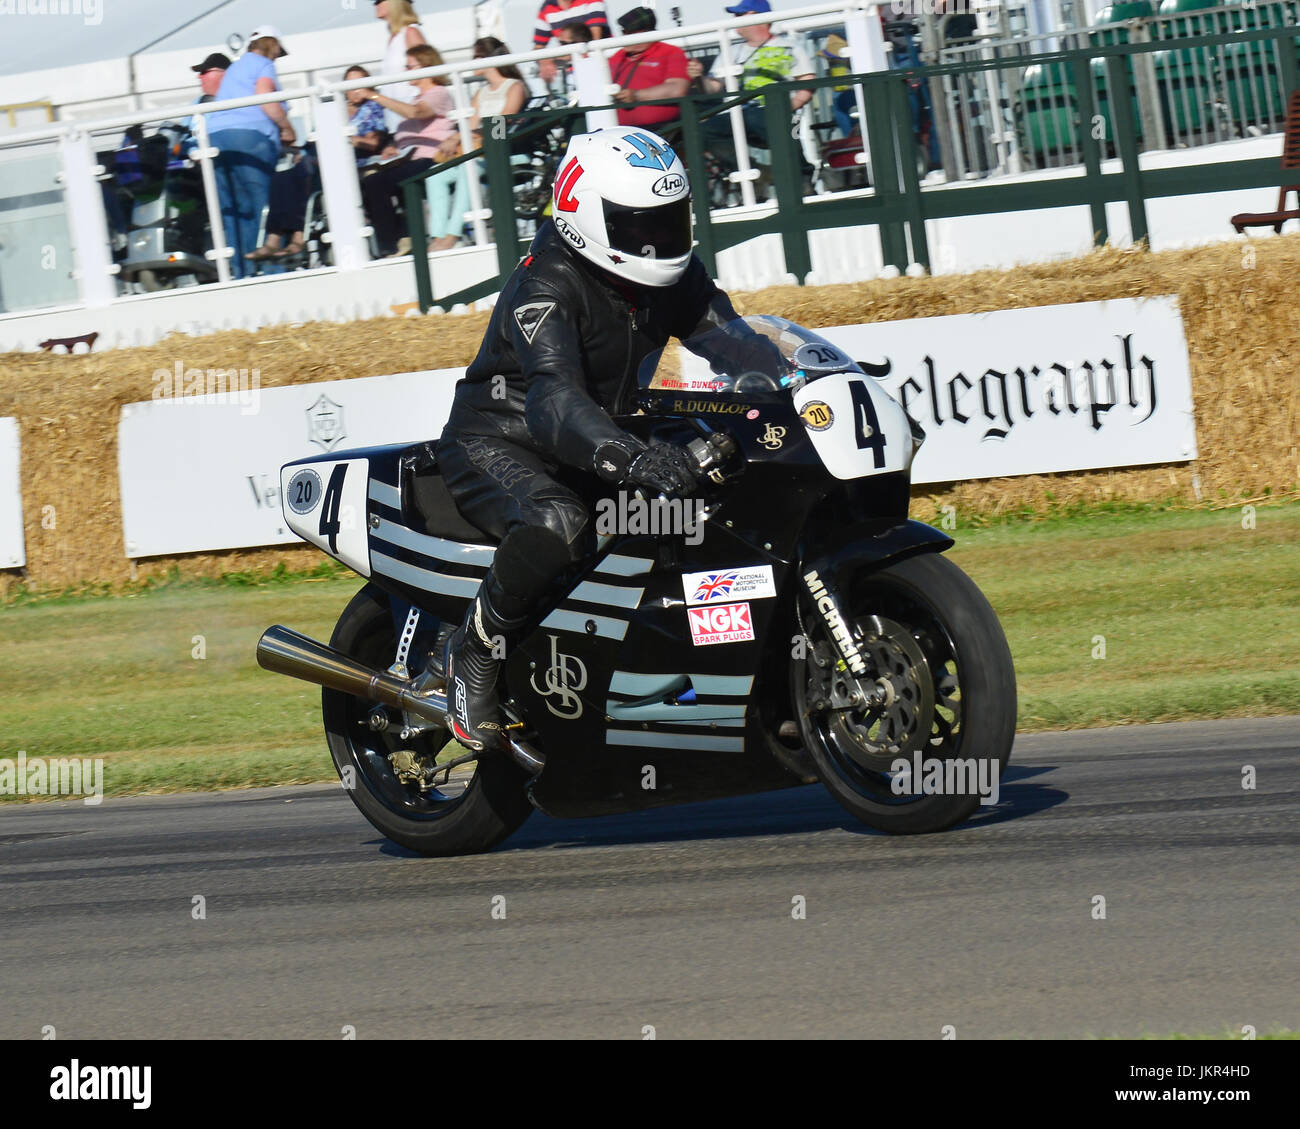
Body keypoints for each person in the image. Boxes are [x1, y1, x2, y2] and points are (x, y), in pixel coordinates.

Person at [426, 126, 743, 751]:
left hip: (606, 432)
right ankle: (472, 652)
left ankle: (689, 680)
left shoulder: (670, 275)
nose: (658, 239)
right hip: (502, 439)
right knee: (558, 520)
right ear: (585, 217)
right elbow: (554, 399)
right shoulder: (545, 285)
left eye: (668, 220)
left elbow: (733, 340)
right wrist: (631, 456)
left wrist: (804, 382)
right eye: (637, 224)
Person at [205, 27, 295, 279]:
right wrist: (287, 129)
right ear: (272, 46)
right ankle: (272, 272)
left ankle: (241, 272)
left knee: (234, 208)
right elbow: (267, 100)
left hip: (216, 138)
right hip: (251, 139)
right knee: (264, 205)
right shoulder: (264, 65)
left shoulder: (235, 68)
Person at [359, 43, 461, 256]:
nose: (406, 71)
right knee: (370, 180)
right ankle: (403, 237)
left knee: (375, 182)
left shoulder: (438, 93)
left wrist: (374, 96)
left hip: (431, 159)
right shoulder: (418, 97)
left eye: (410, 66)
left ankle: (391, 244)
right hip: (409, 159)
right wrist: (392, 147)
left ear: (426, 66)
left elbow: (415, 113)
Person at [687, 0, 814, 159]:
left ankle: (801, 174)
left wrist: (791, 105)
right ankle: (755, 173)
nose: (735, 19)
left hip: (773, 110)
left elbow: (808, 81)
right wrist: (699, 77)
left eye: (739, 14)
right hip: (736, 113)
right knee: (701, 131)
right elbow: (712, 88)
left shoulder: (790, 47)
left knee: (761, 119)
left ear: (758, 17)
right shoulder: (730, 51)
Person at [609, 7, 690, 129]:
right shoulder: (617, 57)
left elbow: (677, 89)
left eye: (630, 32)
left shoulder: (670, 52)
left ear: (647, 32)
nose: (624, 35)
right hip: (618, 132)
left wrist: (636, 96)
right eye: (624, 31)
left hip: (664, 130)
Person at [373, 0, 429, 130]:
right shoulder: (394, 37)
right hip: (397, 116)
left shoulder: (411, 32)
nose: (375, 5)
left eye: (379, 1)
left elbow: (427, 71)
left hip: (414, 114)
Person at [534, 0, 610, 84]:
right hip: (570, 76)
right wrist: (545, 63)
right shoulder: (547, 6)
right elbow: (538, 47)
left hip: (600, 69)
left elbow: (593, 41)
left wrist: (553, 57)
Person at [343, 65, 388, 165]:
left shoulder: (372, 108)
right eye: (350, 85)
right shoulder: (337, 109)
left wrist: (345, 140)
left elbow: (373, 143)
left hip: (364, 163)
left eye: (359, 84)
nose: (355, 90)